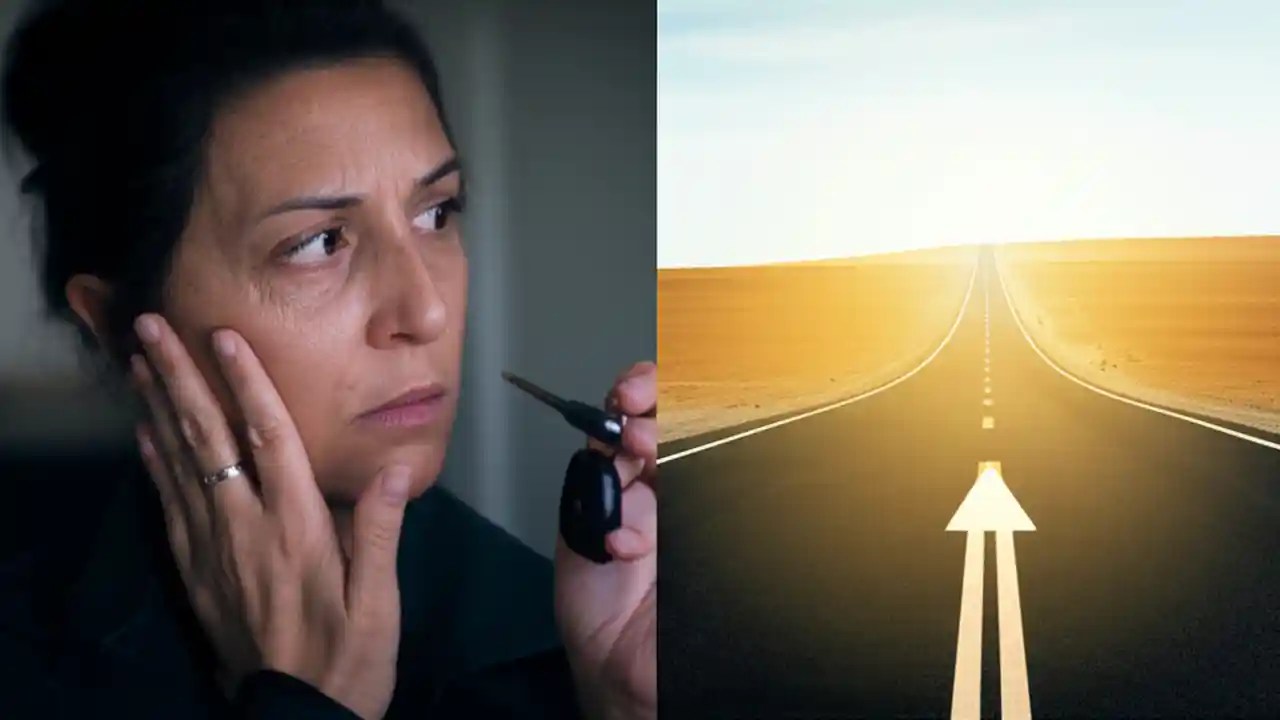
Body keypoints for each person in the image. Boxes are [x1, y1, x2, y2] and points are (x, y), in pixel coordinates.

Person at [0, 0, 657, 717]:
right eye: (318, 243)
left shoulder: (577, 645)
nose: (426, 312)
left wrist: (619, 703)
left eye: (437, 213)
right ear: (116, 324)